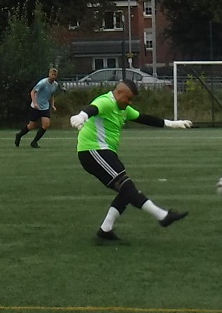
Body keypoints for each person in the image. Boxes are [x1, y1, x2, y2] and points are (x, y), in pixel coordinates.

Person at [70, 79, 192, 244]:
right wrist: (82, 116)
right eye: (127, 98)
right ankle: (163, 216)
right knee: (126, 186)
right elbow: (93, 108)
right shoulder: (106, 102)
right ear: (118, 93)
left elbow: (143, 118)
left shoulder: (123, 109)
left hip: (104, 152)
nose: (129, 102)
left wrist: (173, 124)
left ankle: (106, 229)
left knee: (126, 190)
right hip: (92, 151)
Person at [14, 67, 61, 148]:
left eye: (55, 75)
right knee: (32, 126)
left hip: (45, 107)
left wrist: (52, 105)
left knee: (46, 125)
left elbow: (52, 95)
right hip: (36, 106)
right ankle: (19, 135)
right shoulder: (43, 82)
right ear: (49, 74)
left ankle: (34, 142)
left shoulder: (55, 85)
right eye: (52, 74)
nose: (53, 76)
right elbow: (32, 92)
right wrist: (35, 103)